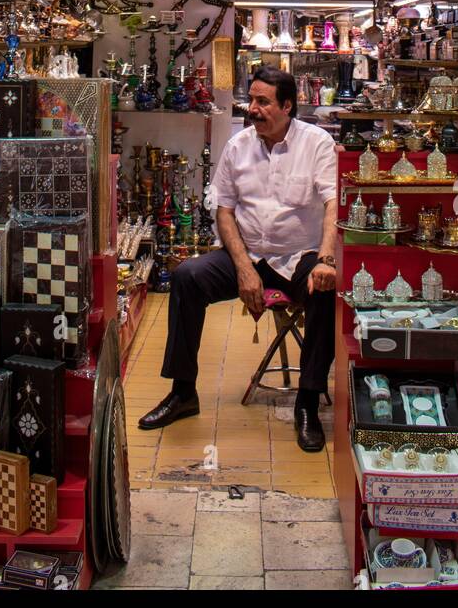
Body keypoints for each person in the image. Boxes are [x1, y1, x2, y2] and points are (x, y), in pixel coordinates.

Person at [138, 65, 339, 452]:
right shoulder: (238, 146)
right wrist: (244, 268)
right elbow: (224, 210)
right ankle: (183, 392)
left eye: (263, 102)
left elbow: (333, 203)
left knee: (324, 293)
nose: (253, 109)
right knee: (186, 278)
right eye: (252, 101)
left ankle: (308, 403)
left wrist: (326, 259)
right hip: (247, 254)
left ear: (287, 106)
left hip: (298, 256)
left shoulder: (316, 144)